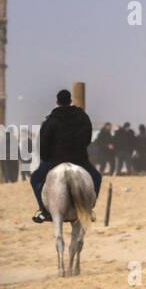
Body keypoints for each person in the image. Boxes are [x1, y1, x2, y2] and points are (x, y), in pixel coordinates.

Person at [30, 89, 100, 222]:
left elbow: (43, 142)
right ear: (70, 101)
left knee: (35, 179)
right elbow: (88, 137)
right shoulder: (82, 116)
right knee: (97, 178)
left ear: (57, 102)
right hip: (79, 159)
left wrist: (46, 158)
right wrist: (80, 150)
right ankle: (89, 208)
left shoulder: (51, 120)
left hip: (55, 160)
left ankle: (43, 210)